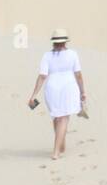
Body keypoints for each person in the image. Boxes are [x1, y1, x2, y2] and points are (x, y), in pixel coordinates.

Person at [28, 28, 85, 159]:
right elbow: (78, 75)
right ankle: (56, 152)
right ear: (65, 42)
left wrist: (34, 95)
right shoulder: (73, 54)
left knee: (56, 116)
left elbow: (42, 76)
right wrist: (83, 91)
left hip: (51, 88)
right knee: (64, 118)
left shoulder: (47, 55)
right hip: (69, 87)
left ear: (53, 42)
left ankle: (61, 144)